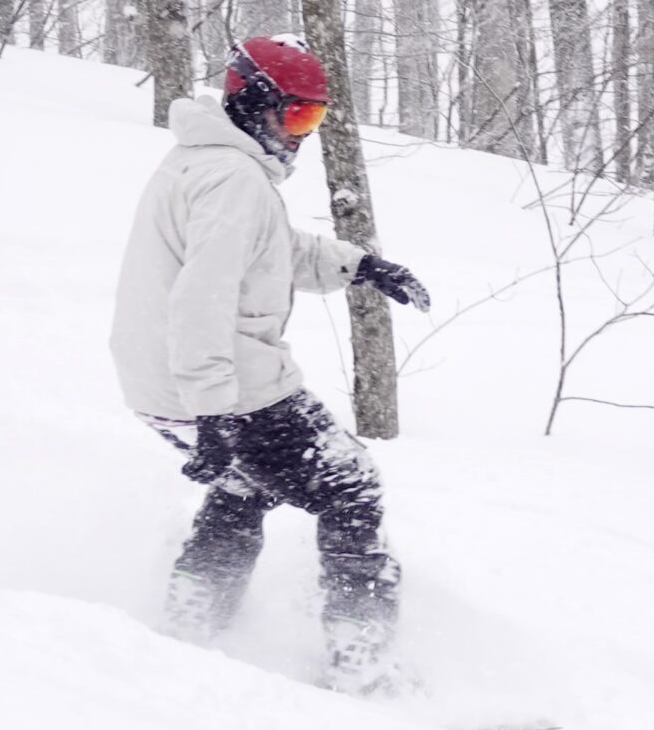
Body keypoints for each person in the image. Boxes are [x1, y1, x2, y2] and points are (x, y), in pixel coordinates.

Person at [109, 34, 431, 693]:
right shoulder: (233, 180)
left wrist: (361, 265)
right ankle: (363, 668)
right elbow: (202, 299)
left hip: (166, 382)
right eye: (296, 115)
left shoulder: (201, 163)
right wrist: (213, 411)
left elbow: (272, 250)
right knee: (350, 486)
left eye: (314, 118)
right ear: (253, 100)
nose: (303, 136)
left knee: (246, 483)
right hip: (225, 385)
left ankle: (191, 627)